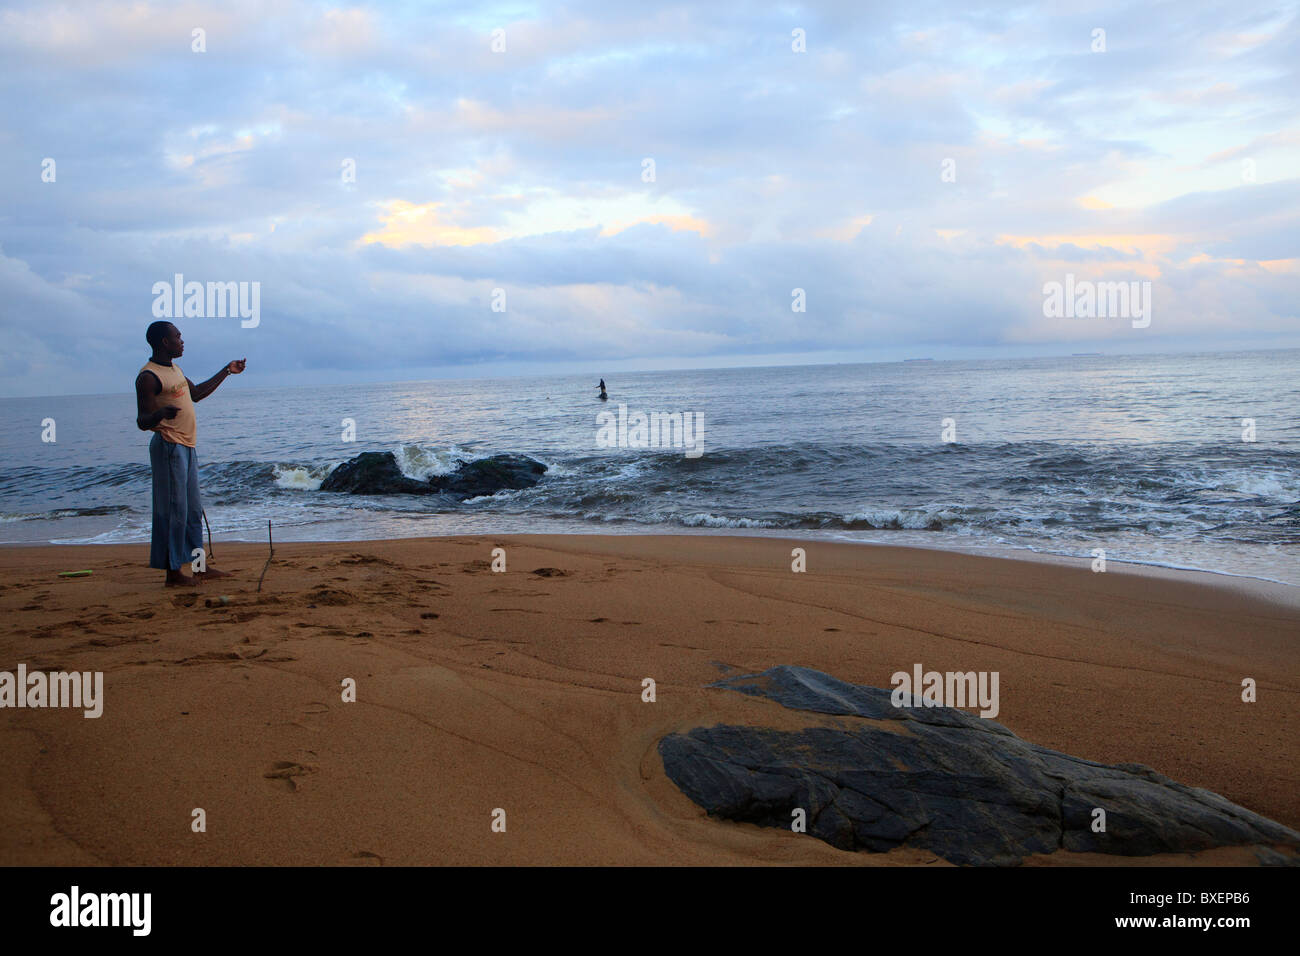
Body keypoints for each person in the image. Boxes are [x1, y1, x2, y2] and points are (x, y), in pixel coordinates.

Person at [134, 321, 245, 586]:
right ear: (164, 342)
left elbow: (196, 394)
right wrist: (160, 414)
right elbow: (142, 420)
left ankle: (198, 567)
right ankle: (173, 574)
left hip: (187, 446)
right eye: (177, 337)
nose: (182, 341)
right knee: (174, 511)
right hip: (169, 446)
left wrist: (226, 371)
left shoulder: (174, 369)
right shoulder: (148, 377)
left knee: (192, 511)